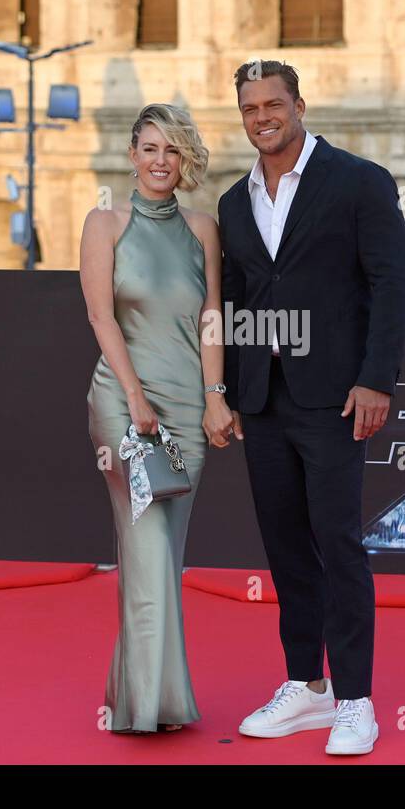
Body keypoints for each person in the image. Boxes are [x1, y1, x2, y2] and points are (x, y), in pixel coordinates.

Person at [219, 61, 405, 755]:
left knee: (337, 545)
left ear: (299, 104)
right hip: (264, 403)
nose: (262, 116)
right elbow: (238, 300)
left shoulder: (358, 181)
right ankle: (307, 685)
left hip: (335, 399)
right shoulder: (235, 202)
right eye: (250, 107)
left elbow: (391, 285)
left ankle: (356, 700)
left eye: (273, 102)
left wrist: (377, 380)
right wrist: (232, 391)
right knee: (285, 549)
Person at [81, 103, 237, 734]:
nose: (160, 160)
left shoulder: (203, 227)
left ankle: (150, 697)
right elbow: (100, 318)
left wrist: (216, 395)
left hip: (189, 404)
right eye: (149, 148)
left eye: (171, 149)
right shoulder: (105, 223)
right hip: (125, 404)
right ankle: (144, 706)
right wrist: (136, 397)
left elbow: (211, 319)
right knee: (145, 548)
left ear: (184, 157)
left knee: (166, 554)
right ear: (131, 155)